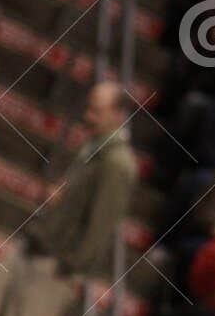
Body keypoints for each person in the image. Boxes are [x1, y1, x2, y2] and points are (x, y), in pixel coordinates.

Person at [27, 83, 138, 280]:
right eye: (88, 108)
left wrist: (69, 266)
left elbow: (101, 225)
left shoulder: (117, 163)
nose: (88, 117)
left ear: (118, 115)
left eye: (97, 112)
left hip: (56, 267)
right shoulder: (94, 145)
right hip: (41, 247)